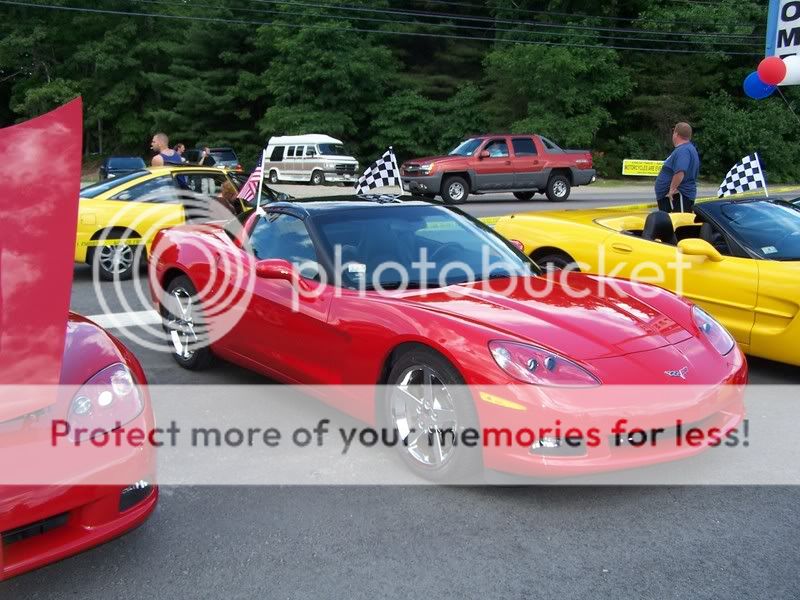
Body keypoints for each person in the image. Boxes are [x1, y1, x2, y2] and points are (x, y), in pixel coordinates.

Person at [655, 122, 700, 213]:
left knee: (678, 225)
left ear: (676, 134)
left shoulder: (683, 150)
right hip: (675, 197)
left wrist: (672, 189)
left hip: (678, 196)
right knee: (670, 225)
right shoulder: (687, 148)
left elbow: (680, 171)